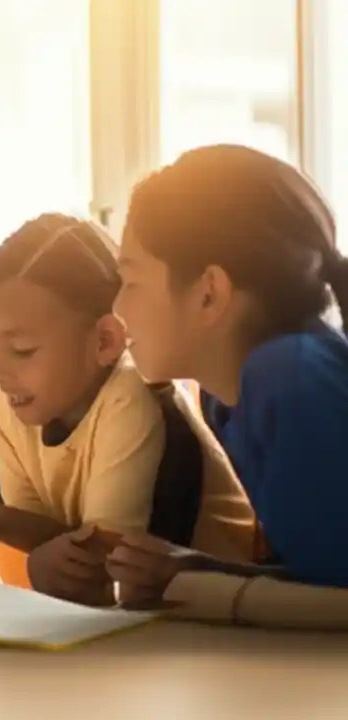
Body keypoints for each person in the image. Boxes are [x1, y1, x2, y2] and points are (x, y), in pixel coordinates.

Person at [0, 214, 253, 606]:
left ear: (105, 341)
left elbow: (103, 564)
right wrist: (1, 524)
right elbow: (42, 537)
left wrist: (9, 532)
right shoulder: (7, 405)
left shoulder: (131, 396)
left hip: (227, 604)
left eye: (23, 350)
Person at [109, 144, 348, 623]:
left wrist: (200, 586)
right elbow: (326, 578)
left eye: (131, 282)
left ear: (209, 293)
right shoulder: (229, 397)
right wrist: (199, 569)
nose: (118, 308)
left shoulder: (289, 378)